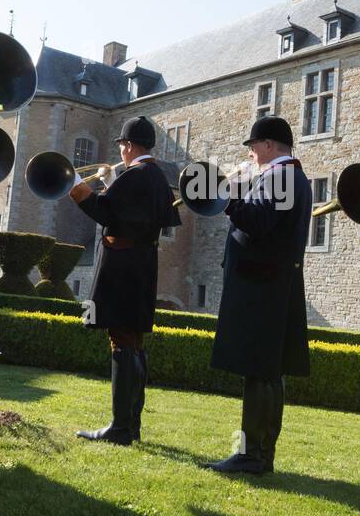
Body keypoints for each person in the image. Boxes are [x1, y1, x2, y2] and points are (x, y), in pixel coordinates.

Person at [205, 116, 311, 474]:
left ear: (268, 145)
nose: (249, 153)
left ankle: (253, 454)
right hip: (268, 284)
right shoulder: (284, 176)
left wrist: (228, 196)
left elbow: (259, 222)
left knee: (260, 371)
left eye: (253, 146)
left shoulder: (281, 176)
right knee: (268, 372)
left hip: (262, 287)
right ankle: (260, 453)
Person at [69, 116, 180, 444]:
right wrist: (110, 183)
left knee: (121, 341)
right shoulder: (155, 176)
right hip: (142, 267)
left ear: (129, 146)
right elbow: (126, 213)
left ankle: (120, 427)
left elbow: (105, 213)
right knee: (134, 343)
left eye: (122, 146)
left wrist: (75, 185)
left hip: (123, 269)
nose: (120, 151)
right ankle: (130, 425)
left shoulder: (136, 175)